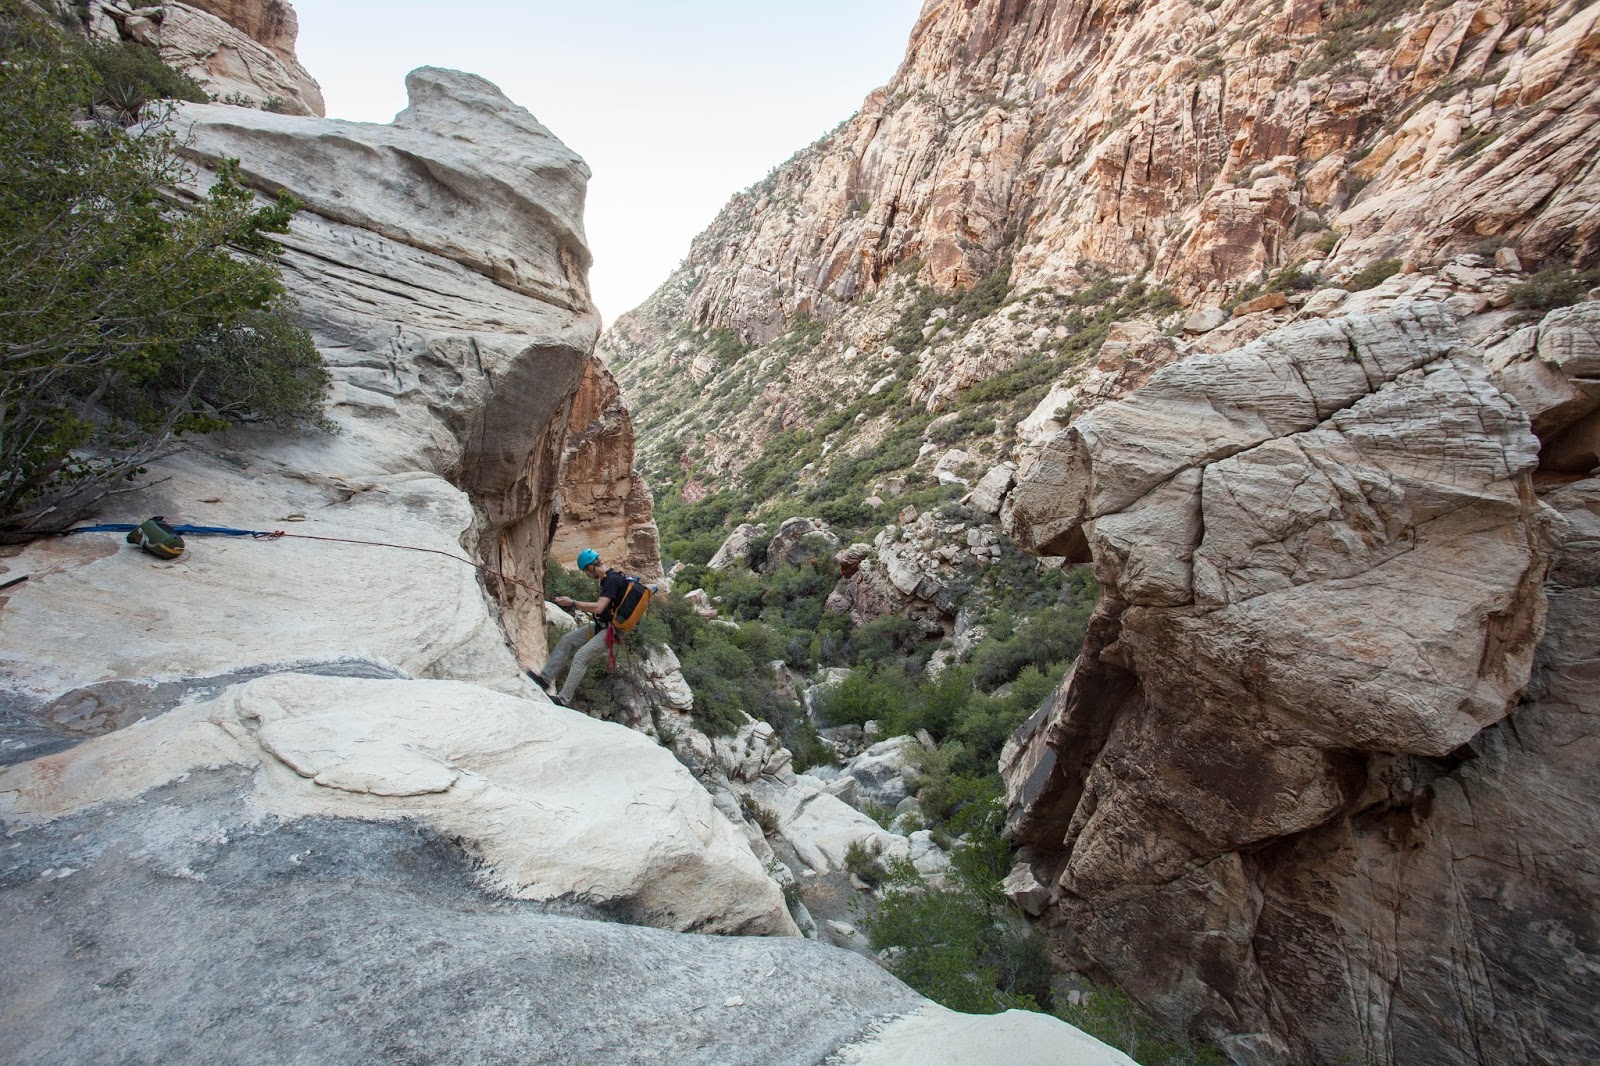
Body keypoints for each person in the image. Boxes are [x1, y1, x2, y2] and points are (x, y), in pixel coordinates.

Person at [531, 548, 629, 707]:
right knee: (567, 640)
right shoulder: (607, 579)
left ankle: (562, 700)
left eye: (585, 571)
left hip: (612, 631)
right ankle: (544, 679)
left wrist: (572, 603)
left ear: (590, 567)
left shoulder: (611, 580)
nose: (586, 575)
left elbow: (598, 607)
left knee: (581, 657)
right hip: (602, 625)